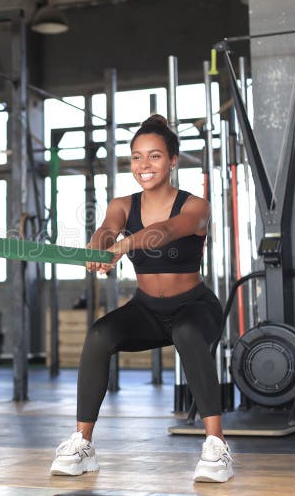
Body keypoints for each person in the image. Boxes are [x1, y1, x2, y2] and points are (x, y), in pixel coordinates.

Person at [49, 114, 233, 483]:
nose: (144, 165)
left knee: (186, 332)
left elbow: (166, 230)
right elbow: (107, 229)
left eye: (154, 156)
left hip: (195, 307)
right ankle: (83, 444)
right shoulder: (122, 204)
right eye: (136, 157)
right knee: (99, 334)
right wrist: (99, 247)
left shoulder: (196, 206)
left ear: (173, 161)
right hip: (147, 309)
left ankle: (217, 446)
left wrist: (123, 246)